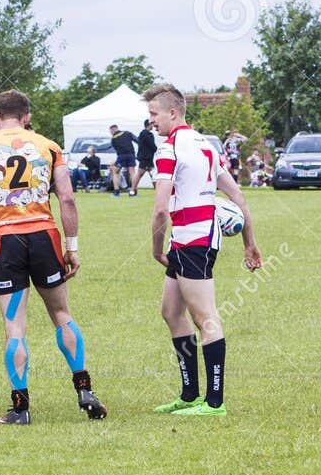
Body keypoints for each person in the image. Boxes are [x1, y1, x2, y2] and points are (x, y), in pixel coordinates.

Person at [0, 89, 107, 425]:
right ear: (27, 116)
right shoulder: (49, 147)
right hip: (44, 236)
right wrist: (72, 248)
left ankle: (20, 408)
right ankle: (85, 389)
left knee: (14, 326)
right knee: (62, 313)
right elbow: (67, 199)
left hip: (6, 239)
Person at [145, 84, 262, 417]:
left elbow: (159, 210)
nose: (151, 121)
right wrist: (249, 242)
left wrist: (156, 249)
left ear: (173, 112)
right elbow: (238, 198)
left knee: (206, 318)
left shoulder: (169, 149)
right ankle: (189, 394)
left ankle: (214, 402)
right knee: (171, 311)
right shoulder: (206, 145)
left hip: (192, 240)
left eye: (154, 114)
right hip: (193, 238)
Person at [107, 123, 137, 197]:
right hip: (131, 155)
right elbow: (137, 140)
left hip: (121, 156)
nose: (110, 133)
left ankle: (116, 192)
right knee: (132, 173)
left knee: (115, 172)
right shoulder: (127, 133)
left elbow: (116, 149)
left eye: (110, 131)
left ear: (113, 130)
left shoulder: (113, 139)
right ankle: (133, 192)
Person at [135, 120, 158, 194]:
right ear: (149, 125)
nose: (153, 126)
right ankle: (132, 190)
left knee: (153, 174)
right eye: (152, 124)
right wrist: (158, 150)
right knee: (139, 174)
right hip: (146, 158)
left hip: (146, 158)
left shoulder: (142, 133)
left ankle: (157, 190)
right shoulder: (148, 134)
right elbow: (152, 146)